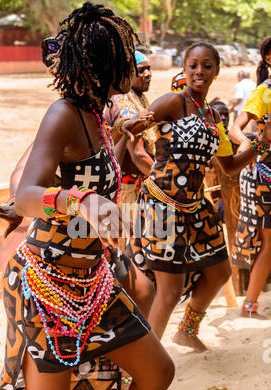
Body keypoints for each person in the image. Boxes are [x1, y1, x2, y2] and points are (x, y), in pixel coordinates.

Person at [0, 3, 174, 390]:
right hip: (46, 287)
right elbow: (28, 187)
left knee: (156, 373)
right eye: (124, 62)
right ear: (101, 67)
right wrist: (76, 200)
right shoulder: (63, 114)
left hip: (92, 283)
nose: (132, 69)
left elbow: (39, 178)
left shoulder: (100, 113)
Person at [124, 41, 271, 353]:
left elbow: (229, 167)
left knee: (219, 271)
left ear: (216, 72)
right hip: (162, 206)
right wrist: (128, 128)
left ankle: (186, 332)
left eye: (206, 66)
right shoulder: (172, 103)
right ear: (185, 69)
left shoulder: (212, 119)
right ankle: (139, 371)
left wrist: (259, 146)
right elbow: (132, 132)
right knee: (169, 290)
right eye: (193, 65)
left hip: (195, 208)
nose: (199, 71)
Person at [229, 35, 271, 320]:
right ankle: (250, 306)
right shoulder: (264, 93)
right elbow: (235, 128)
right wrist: (251, 145)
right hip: (267, 176)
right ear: (268, 60)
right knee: (270, 243)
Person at [104, 50, 156, 252]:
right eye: (141, 70)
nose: (148, 74)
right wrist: (167, 183)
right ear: (126, 74)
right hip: (129, 191)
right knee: (133, 250)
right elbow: (138, 155)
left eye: (149, 69)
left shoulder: (136, 99)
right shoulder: (126, 105)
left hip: (134, 185)